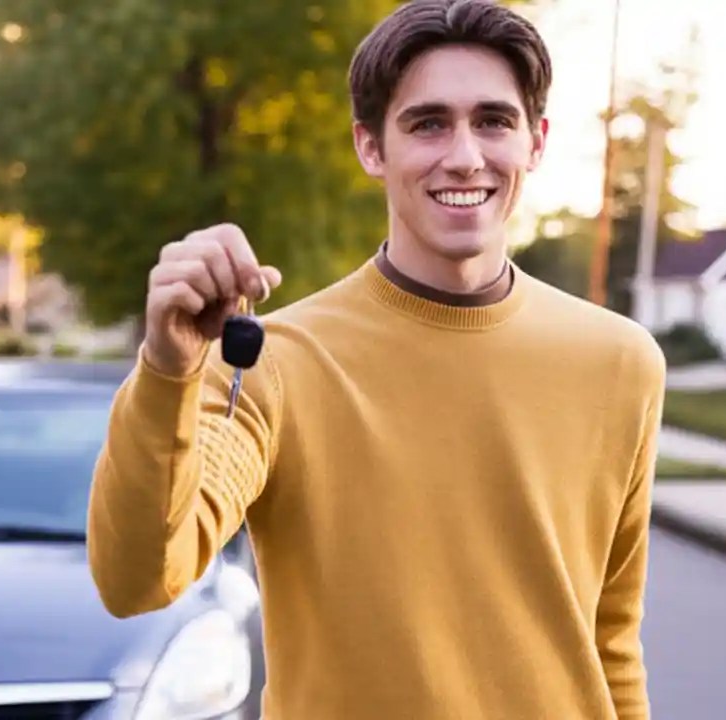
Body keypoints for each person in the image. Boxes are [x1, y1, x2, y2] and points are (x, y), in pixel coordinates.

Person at [86, 0, 667, 718]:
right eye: (428, 123)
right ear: (370, 147)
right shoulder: (274, 363)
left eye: (493, 120)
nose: (464, 155)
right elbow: (136, 578)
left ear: (536, 142)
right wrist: (167, 370)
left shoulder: (620, 362)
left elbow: (610, 640)